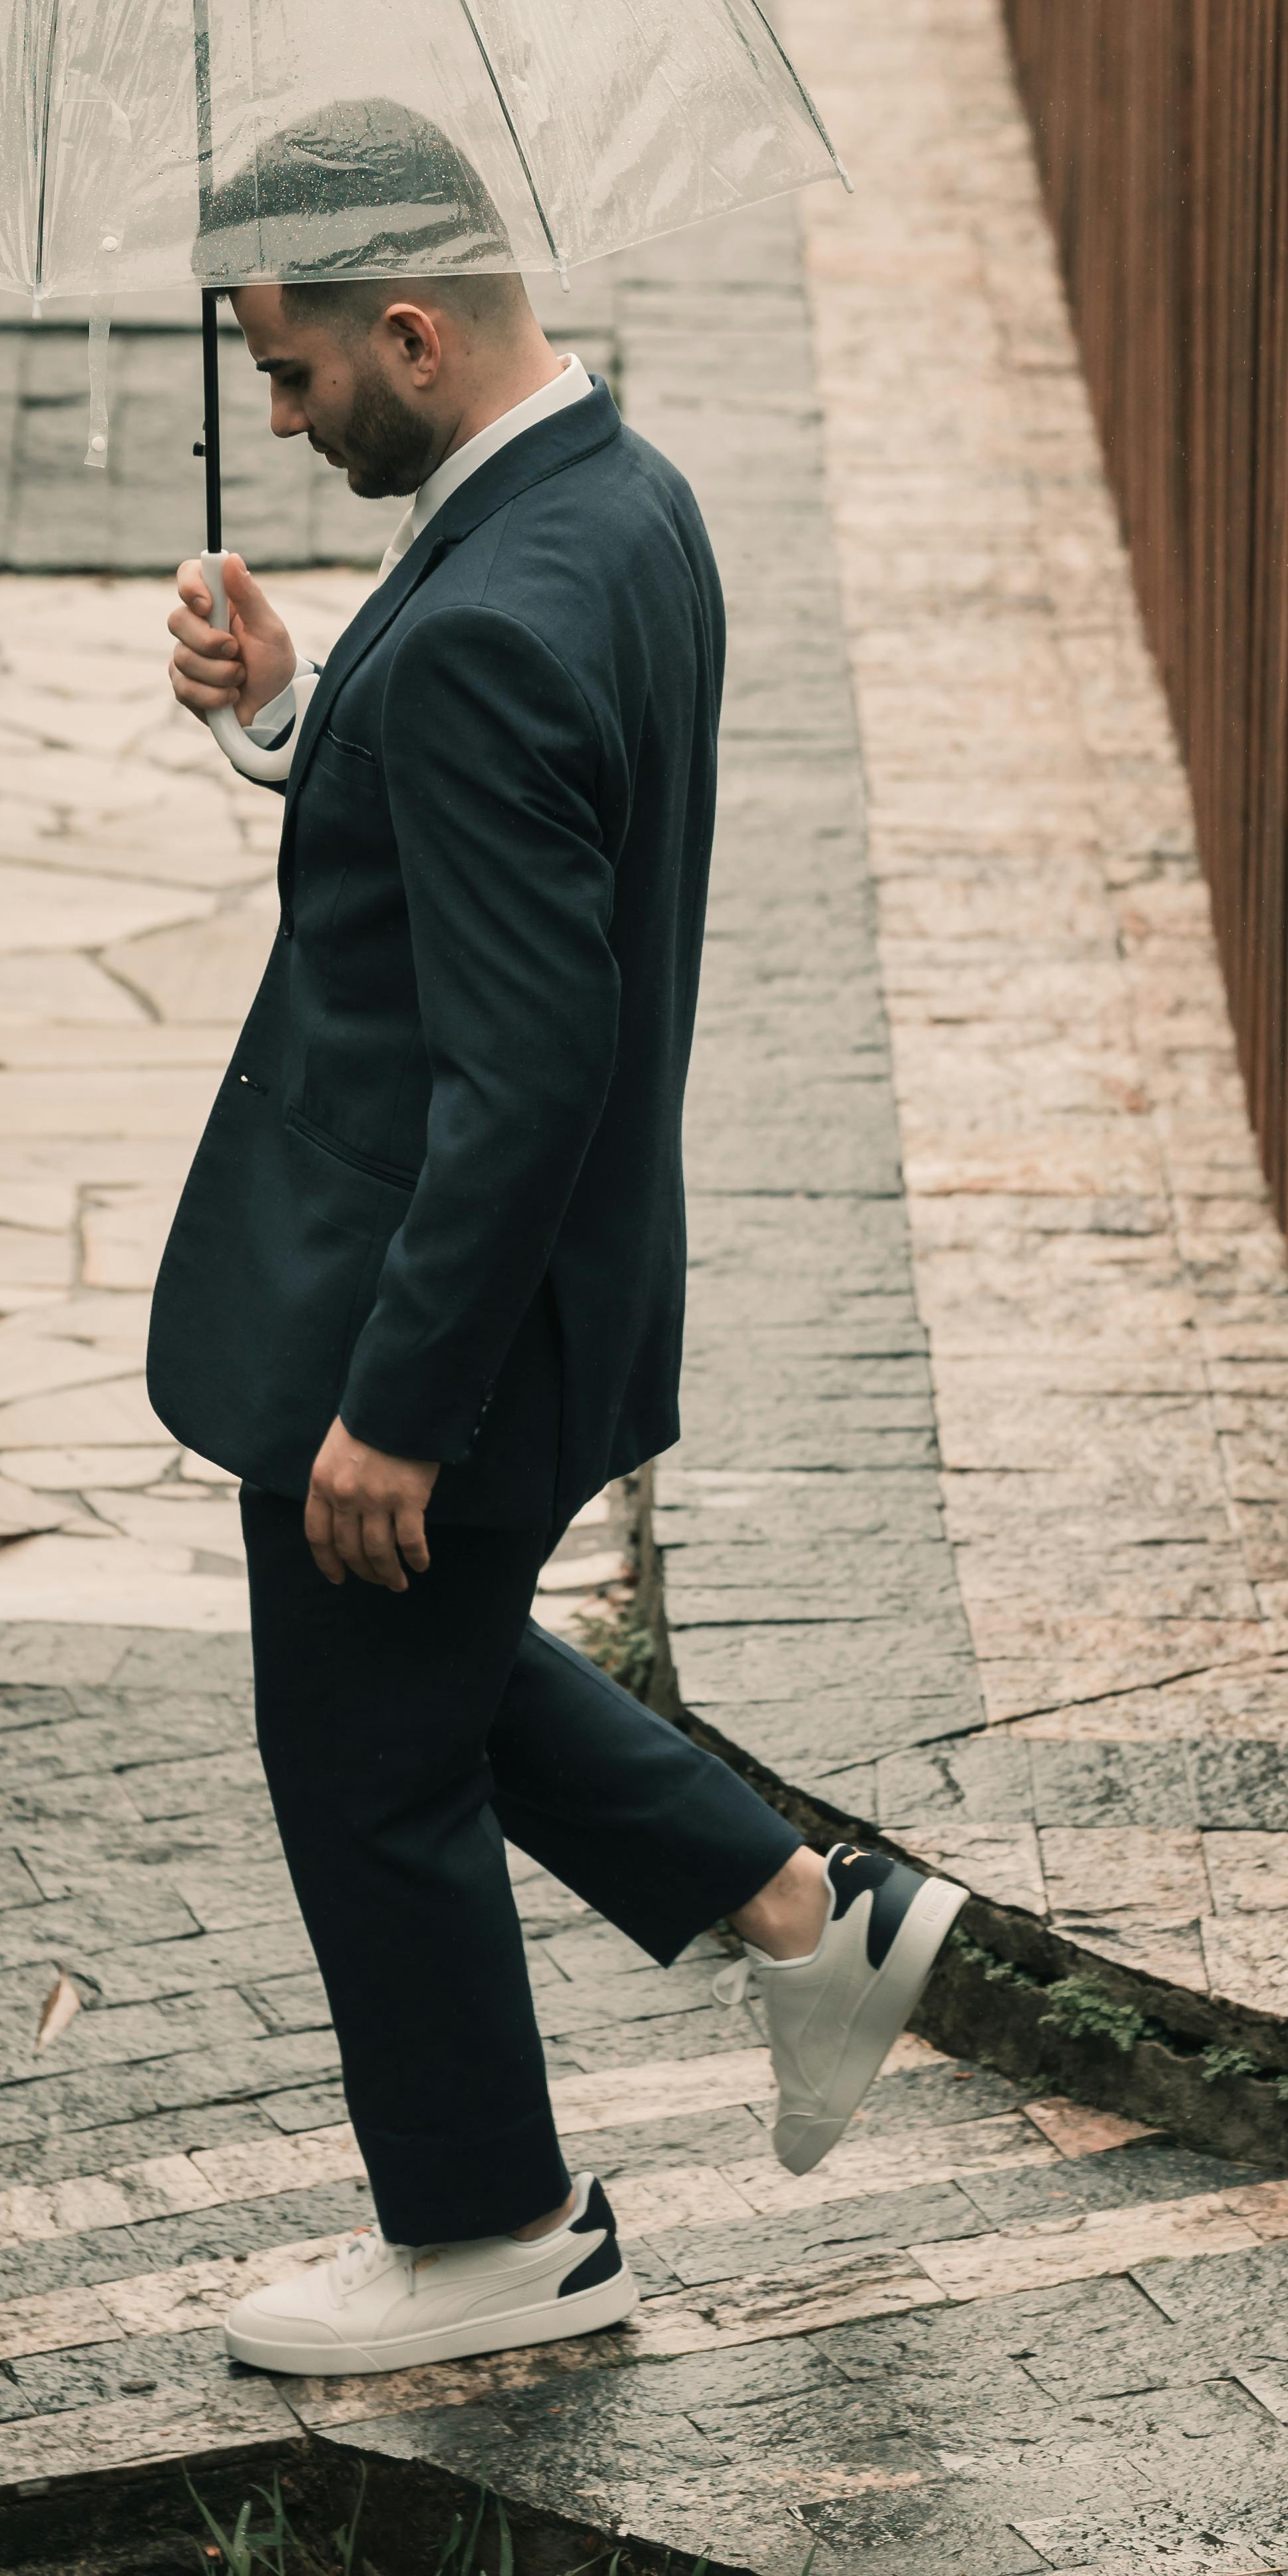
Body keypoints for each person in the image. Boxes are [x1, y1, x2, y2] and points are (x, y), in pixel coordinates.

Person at [148, 135, 963, 2381]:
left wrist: (397, 1410)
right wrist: (304, 707)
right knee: (420, 1676)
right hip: (545, 1288)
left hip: (448, 1317)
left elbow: (522, 1067)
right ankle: (813, 1919)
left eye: (303, 378)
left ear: (414, 336)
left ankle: (498, 2232)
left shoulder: (499, 607)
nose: (291, 421)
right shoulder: (613, 498)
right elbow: (501, 850)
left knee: (366, 1768)